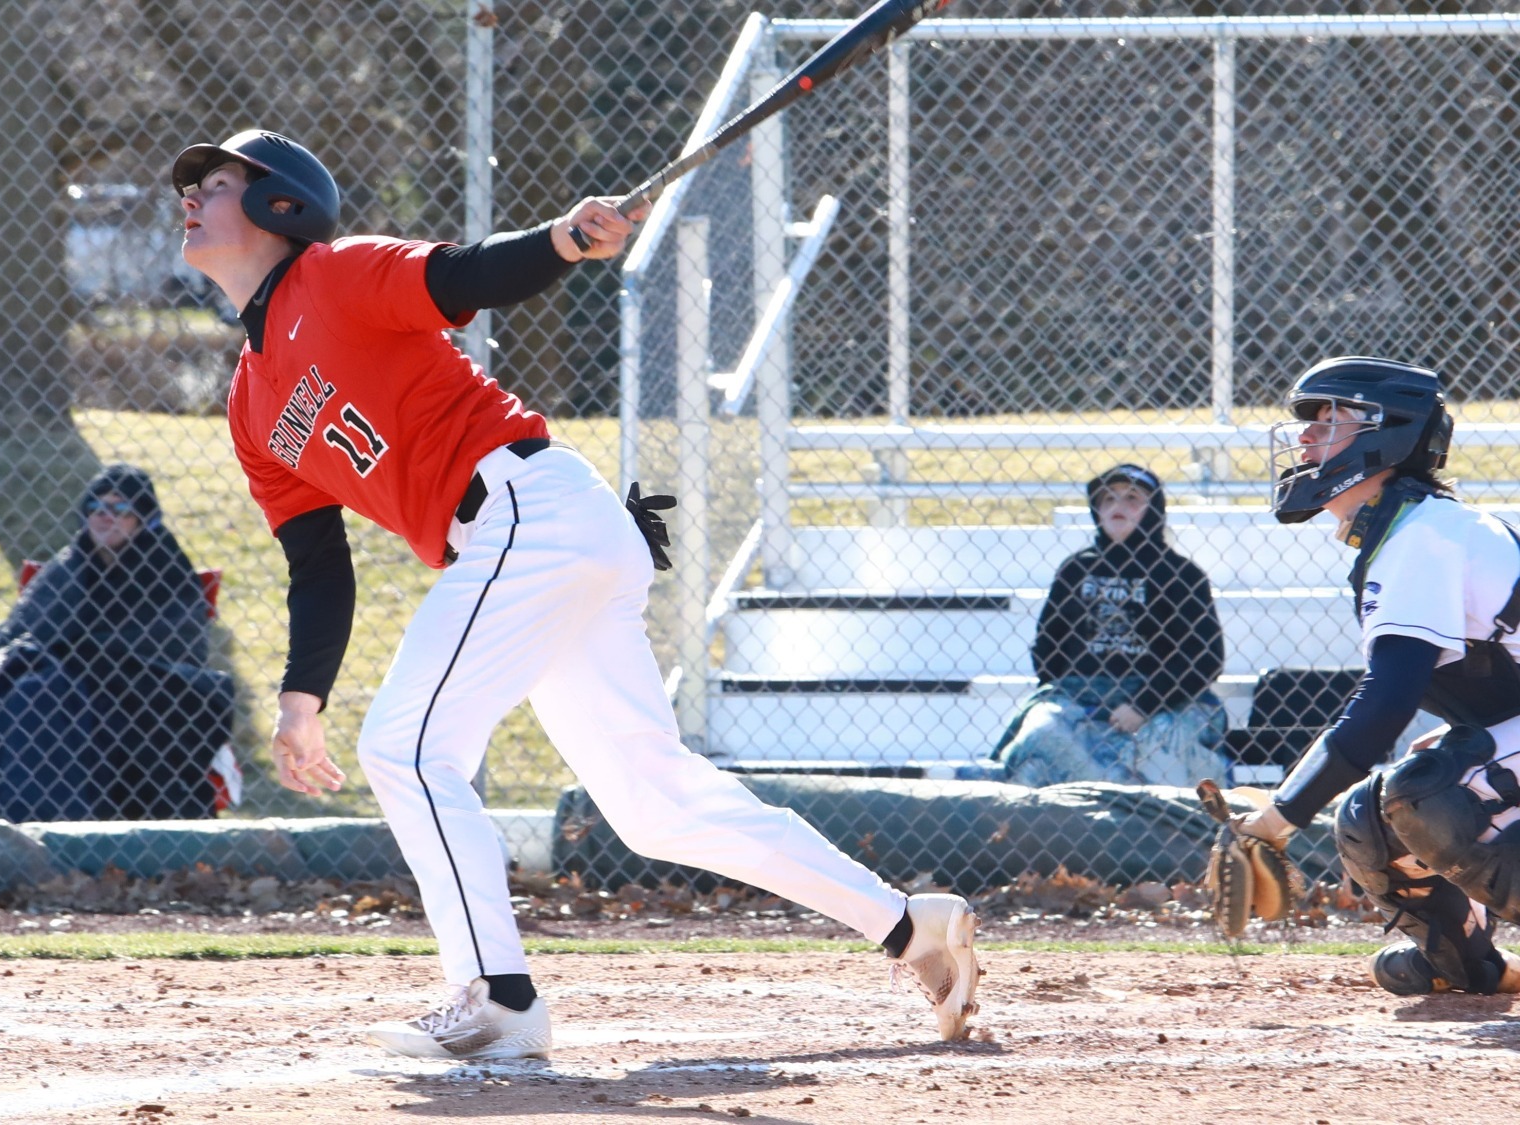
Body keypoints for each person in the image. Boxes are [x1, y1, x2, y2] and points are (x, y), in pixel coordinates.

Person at [172, 128, 980, 1058]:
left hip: (530, 511)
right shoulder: (249, 403)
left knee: (407, 744)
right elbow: (319, 564)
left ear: (280, 206)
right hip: (536, 534)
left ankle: (498, 999)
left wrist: (562, 240)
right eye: (193, 185)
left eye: (219, 181)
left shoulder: (335, 274)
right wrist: (298, 699)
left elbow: (465, 278)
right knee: (652, 802)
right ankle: (911, 924)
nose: (192, 195)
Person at [1234, 356, 1520, 996]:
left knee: (1431, 791)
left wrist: (1281, 816)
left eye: (1326, 419)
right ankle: (1471, 962)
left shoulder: (1426, 537)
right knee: (1371, 816)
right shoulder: (1413, 530)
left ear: (1383, 434)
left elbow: (1384, 706)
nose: (1305, 437)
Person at [0, 465, 230, 821]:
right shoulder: (67, 567)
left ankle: (48, 820)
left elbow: (173, 646)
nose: (104, 516)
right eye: (95, 506)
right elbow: (16, 630)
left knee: (35, 695)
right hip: (54, 684)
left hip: (131, 698)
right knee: (30, 686)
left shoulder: (166, 570)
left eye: (119, 509)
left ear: (143, 518)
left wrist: (81, 653)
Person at [988, 464, 1229, 787]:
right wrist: (1080, 695)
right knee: (1040, 731)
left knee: (1161, 742)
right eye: (1109, 499)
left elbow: (1205, 658)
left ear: (1154, 509)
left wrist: (1143, 704)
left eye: (1132, 498)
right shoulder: (1076, 569)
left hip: (1159, 698)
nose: (1118, 506)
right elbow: (1048, 647)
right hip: (1080, 694)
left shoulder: (1180, 574)